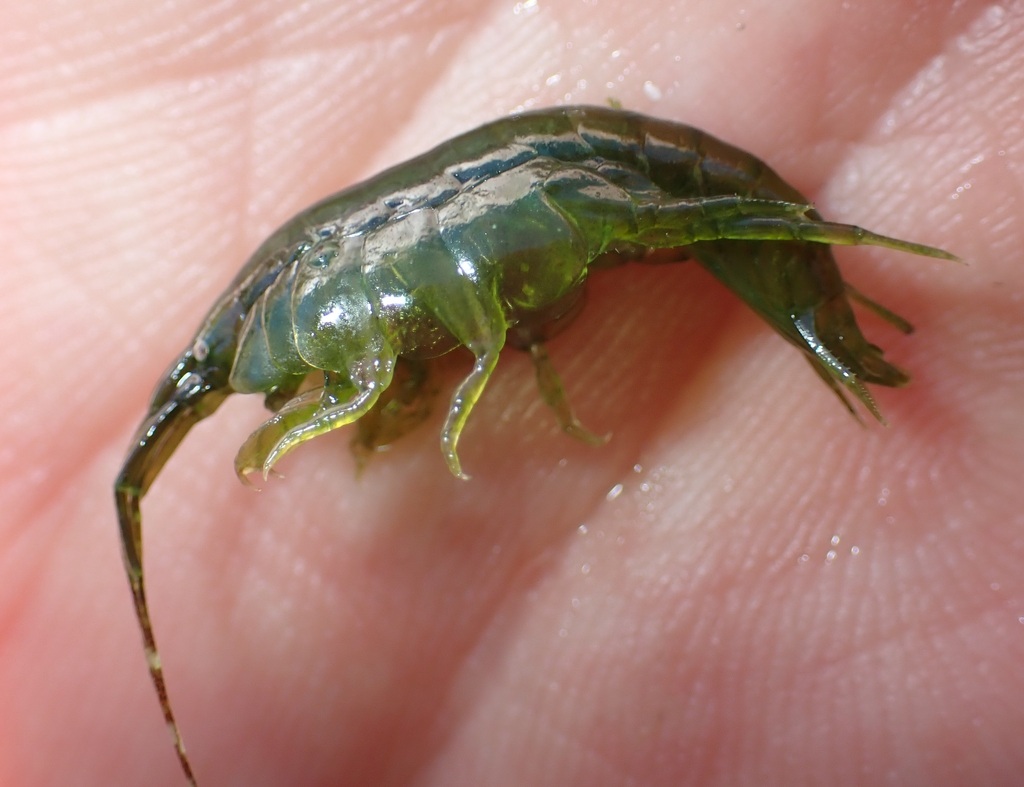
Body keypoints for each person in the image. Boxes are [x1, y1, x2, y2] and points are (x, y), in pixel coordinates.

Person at [2, 2, 1022, 784]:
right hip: (540, 190)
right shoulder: (288, 300)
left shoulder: (298, 299)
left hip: (589, 172)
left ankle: (834, 273)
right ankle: (828, 284)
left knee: (714, 211)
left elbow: (372, 345)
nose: (259, 405)